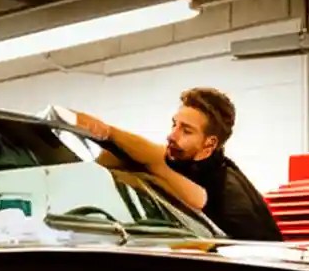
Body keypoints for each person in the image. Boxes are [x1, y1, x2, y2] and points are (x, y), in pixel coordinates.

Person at [74, 88, 283, 241]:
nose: (171, 135)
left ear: (209, 144)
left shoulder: (220, 188)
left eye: (186, 130)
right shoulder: (196, 163)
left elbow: (154, 159)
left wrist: (108, 132)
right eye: (174, 124)